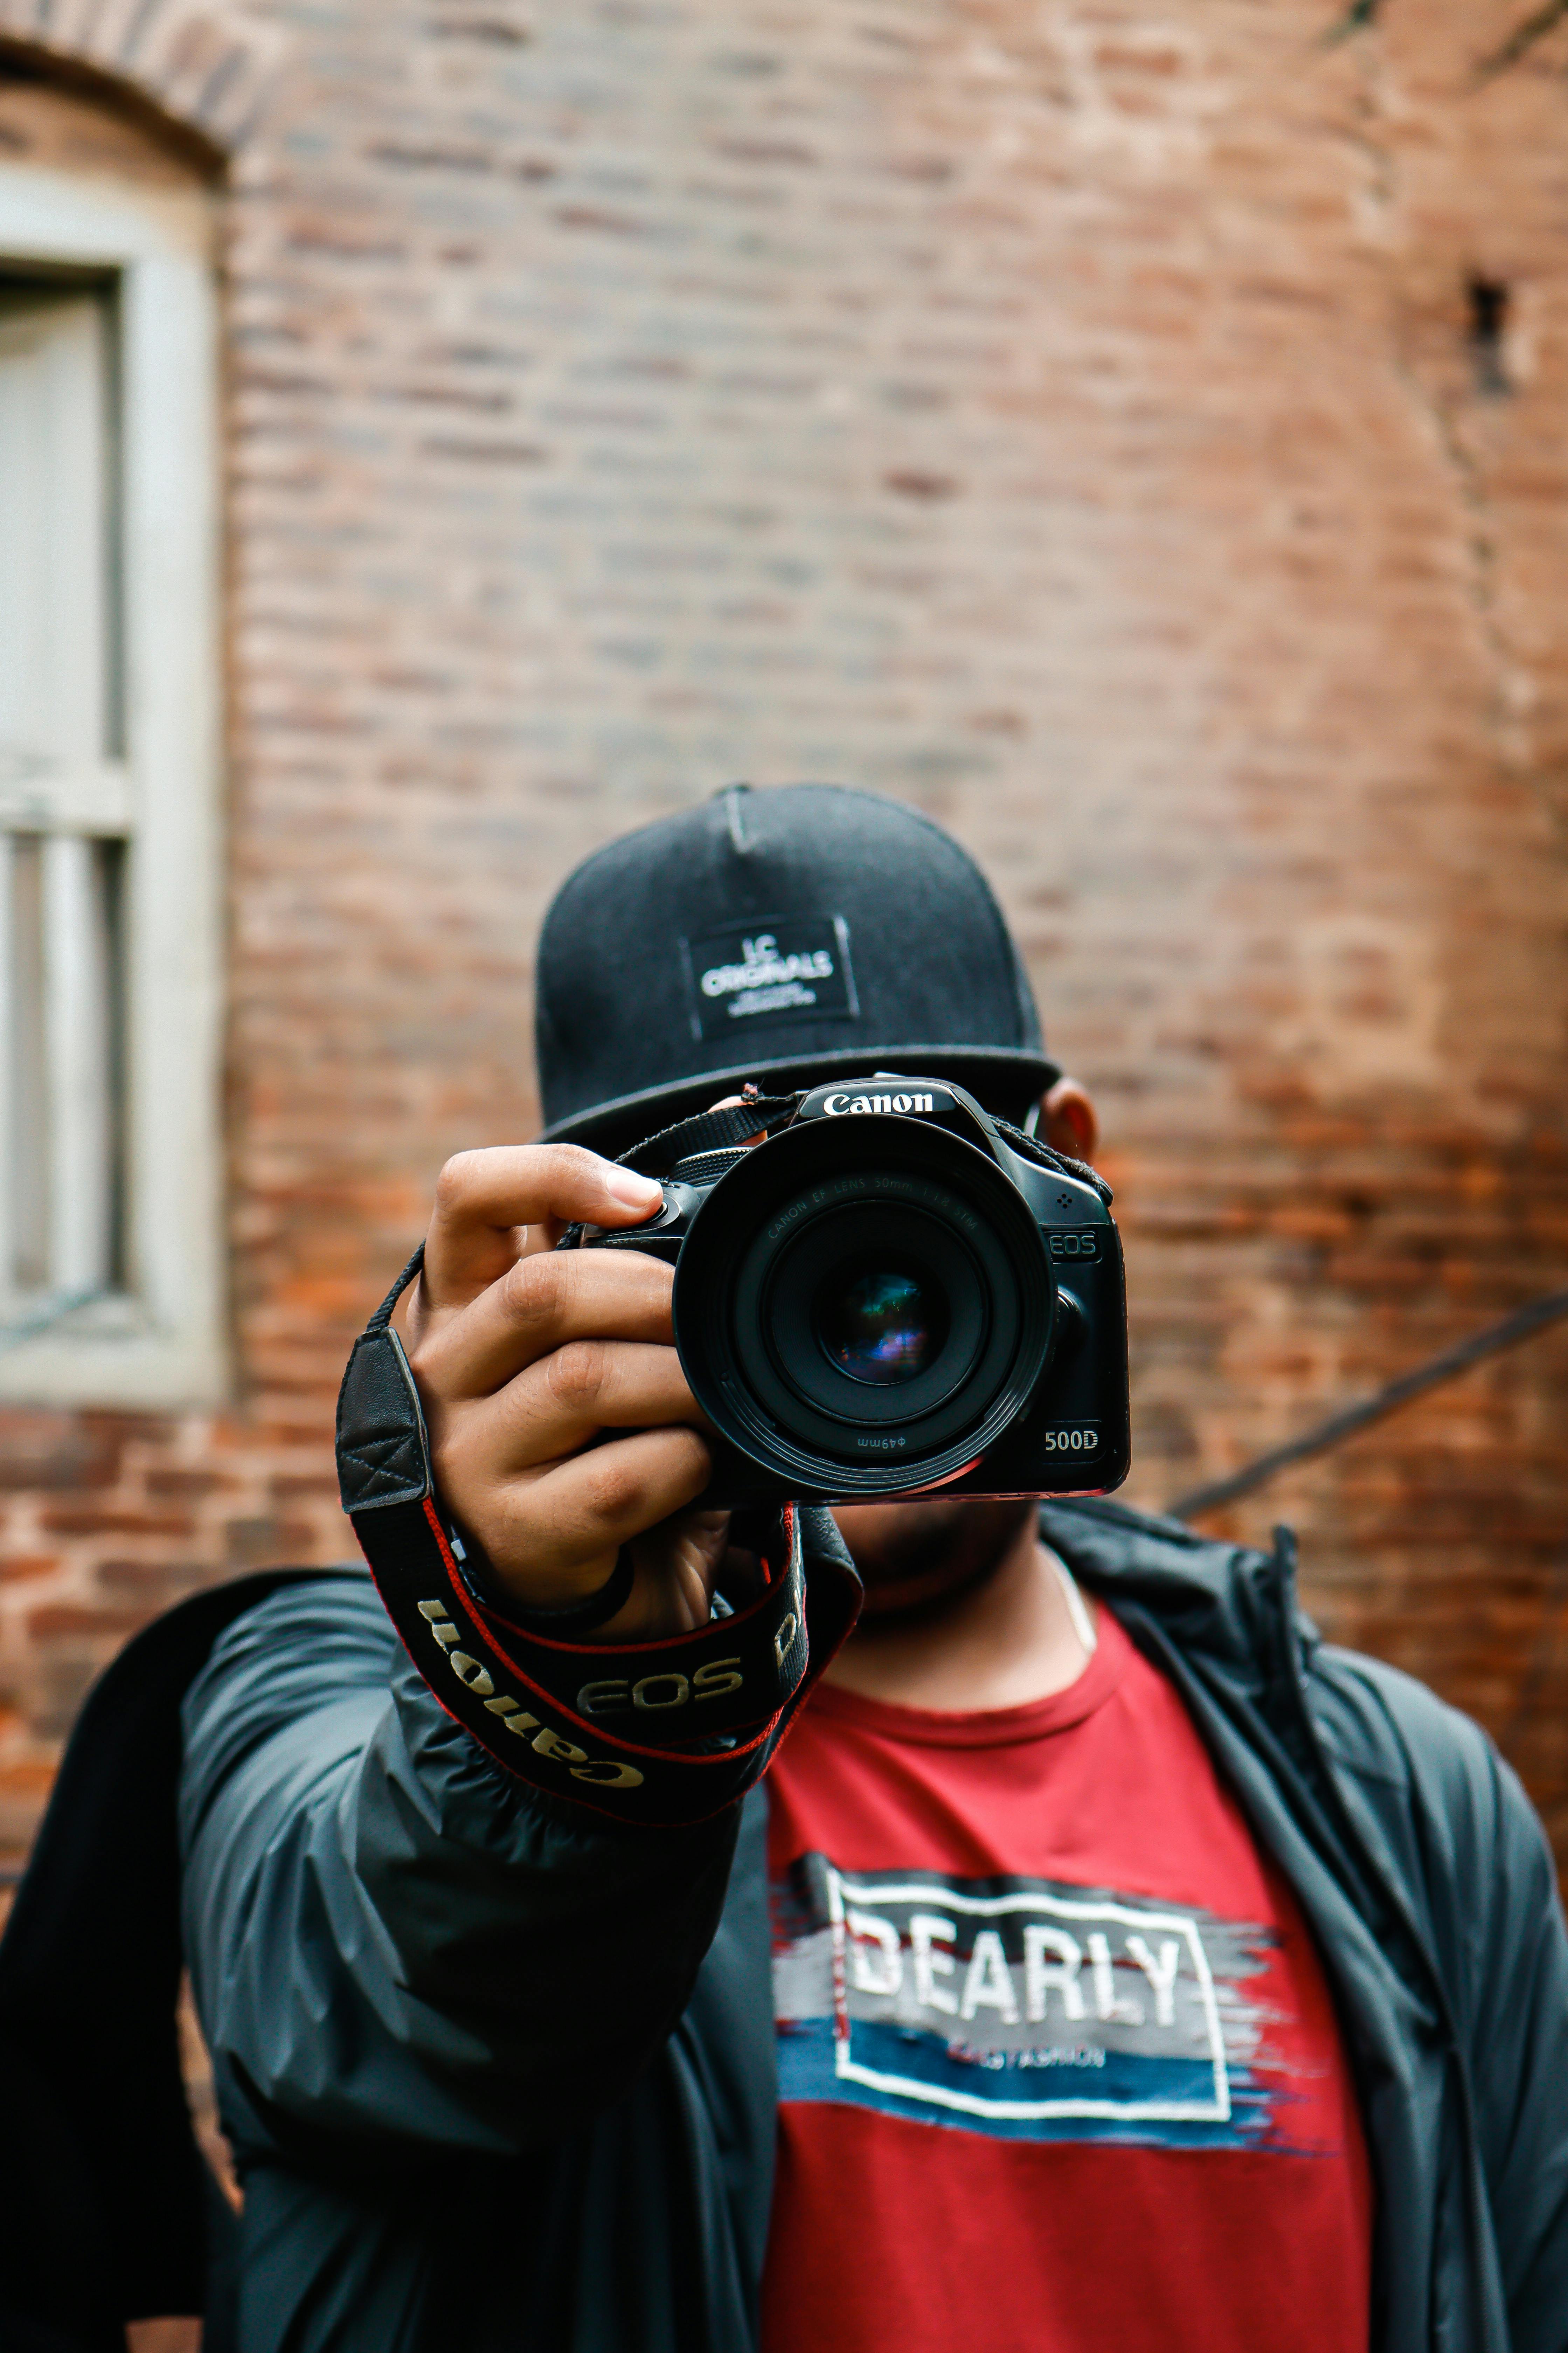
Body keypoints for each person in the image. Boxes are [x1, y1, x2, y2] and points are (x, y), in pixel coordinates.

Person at [48, 785, 1568, 2350]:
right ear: (556, 1261)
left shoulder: (1398, 1792)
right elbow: (377, 2024)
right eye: (729, 1209)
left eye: (904, 1190)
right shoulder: (357, 1695)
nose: (830, 1282)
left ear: (1071, 1170)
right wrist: (561, 1674)